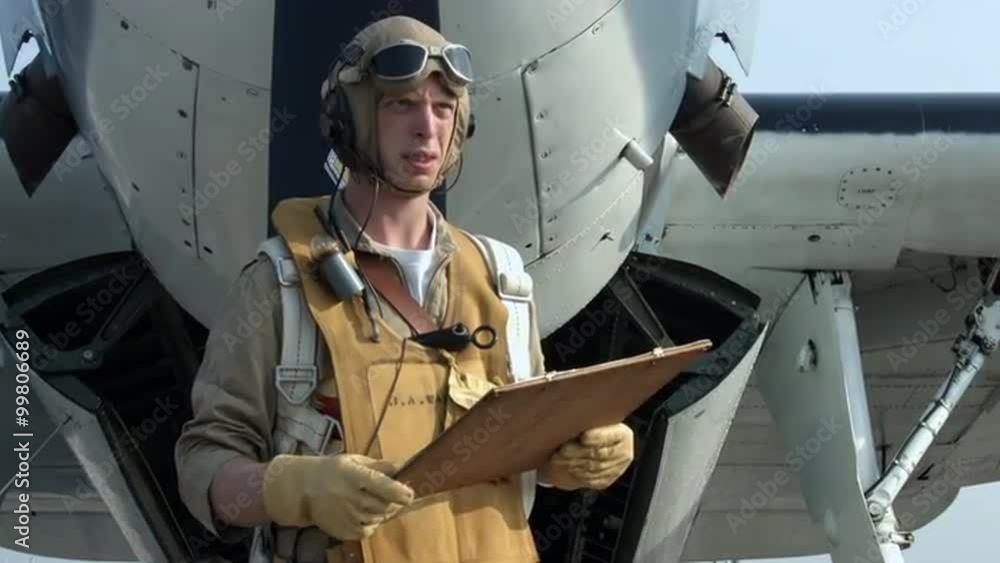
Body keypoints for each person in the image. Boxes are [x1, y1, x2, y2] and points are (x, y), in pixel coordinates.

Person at [174, 15, 635, 563]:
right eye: (401, 105)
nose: (428, 127)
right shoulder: (280, 285)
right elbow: (204, 461)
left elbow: (527, 439)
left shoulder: (504, 281)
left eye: (444, 109)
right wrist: (293, 488)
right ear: (350, 122)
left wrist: (573, 454)